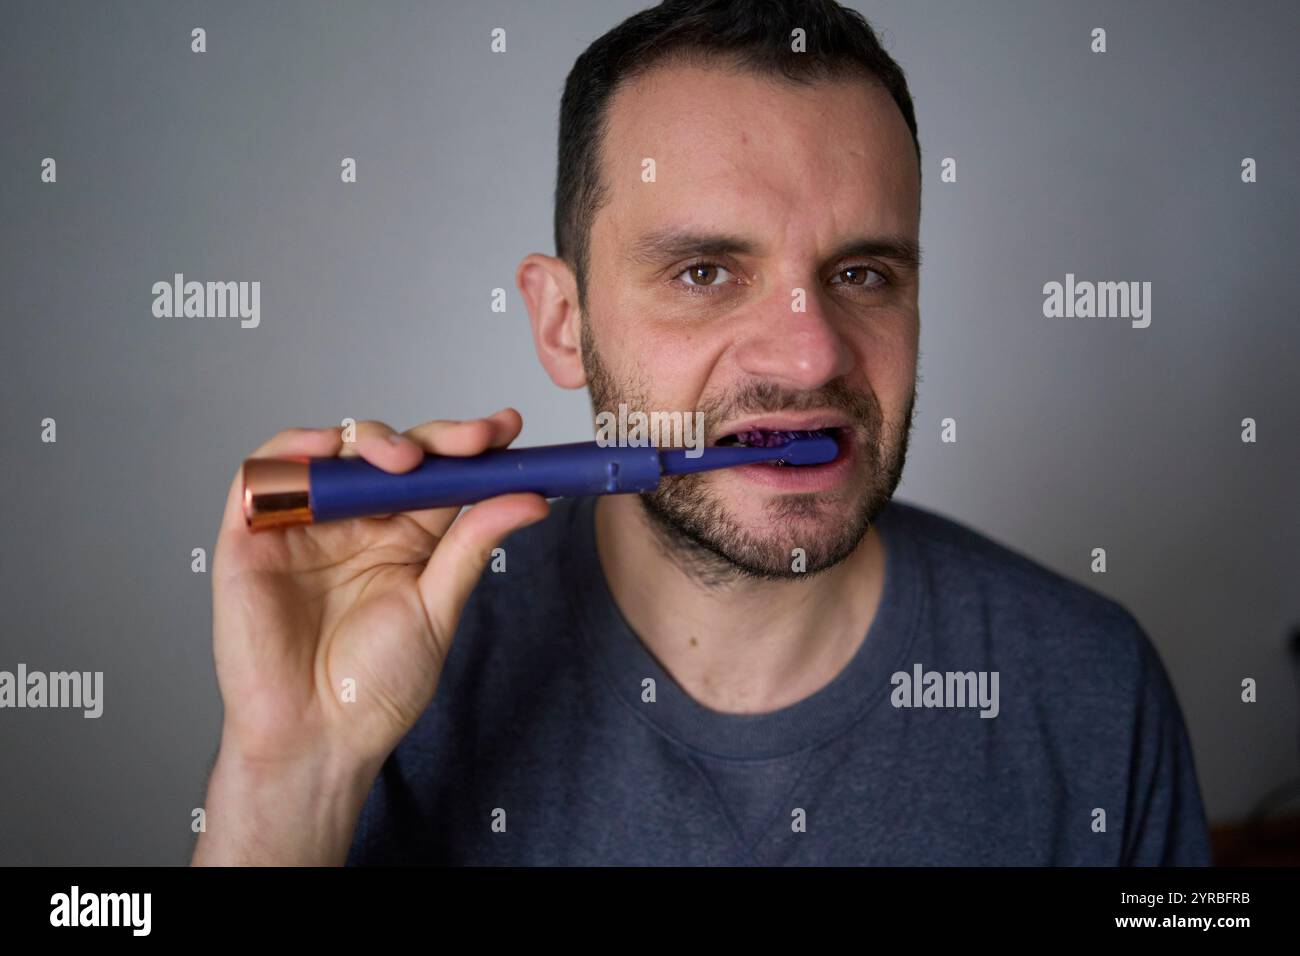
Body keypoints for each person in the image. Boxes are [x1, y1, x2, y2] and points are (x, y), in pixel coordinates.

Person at [192, 0, 1210, 866]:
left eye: (862, 275)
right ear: (562, 321)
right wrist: (292, 776)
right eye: (704, 273)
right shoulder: (401, 678)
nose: (809, 359)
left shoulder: (1091, 685)